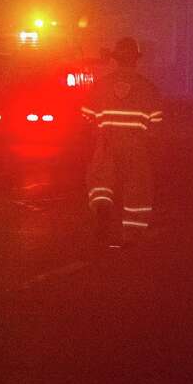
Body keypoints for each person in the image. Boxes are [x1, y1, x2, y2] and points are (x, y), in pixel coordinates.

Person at [81, 37, 164, 247]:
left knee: (100, 179)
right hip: (136, 145)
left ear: (116, 59)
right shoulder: (148, 89)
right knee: (138, 186)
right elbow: (156, 124)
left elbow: (86, 115)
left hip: (105, 141)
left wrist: (97, 131)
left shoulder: (101, 86)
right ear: (136, 60)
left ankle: (102, 209)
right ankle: (133, 232)